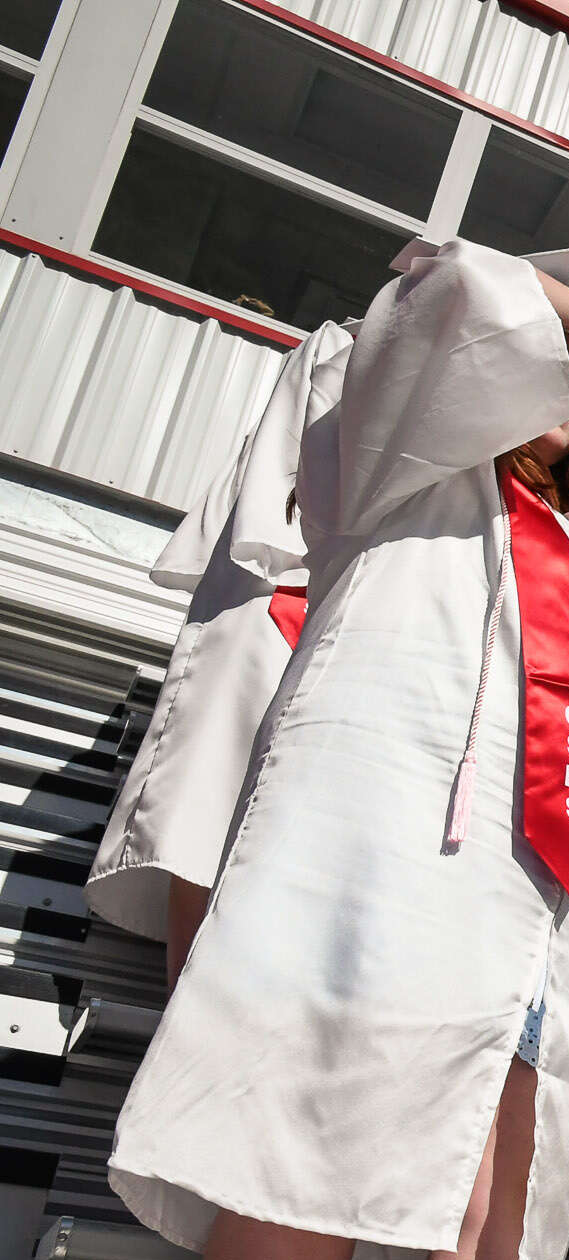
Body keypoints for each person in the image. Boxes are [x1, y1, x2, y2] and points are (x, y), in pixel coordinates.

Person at [106, 238, 569, 1260]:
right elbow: (424, 314)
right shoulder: (409, 470)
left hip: (530, 928)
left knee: (502, 1238)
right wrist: (551, 301)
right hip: (380, 881)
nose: (560, 389)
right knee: (296, 1180)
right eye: (545, 362)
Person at [84, 316, 353, 981]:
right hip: (270, 602)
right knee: (204, 811)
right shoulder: (344, 350)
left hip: (326, 616)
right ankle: (183, 999)